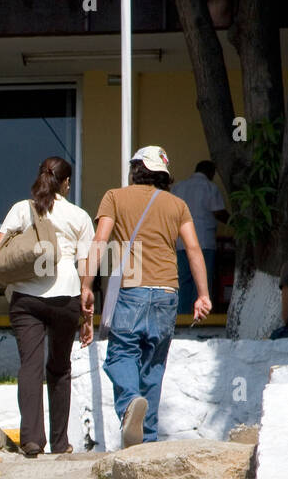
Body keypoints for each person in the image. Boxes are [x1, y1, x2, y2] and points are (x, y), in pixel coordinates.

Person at [84, 146, 211, 447]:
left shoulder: (115, 196)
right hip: (168, 292)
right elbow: (193, 248)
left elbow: (100, 240)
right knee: (153, 364)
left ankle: (129, 403)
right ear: (163, 175)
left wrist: (86, 285)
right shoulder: (177, 204)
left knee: (122, 353)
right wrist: (203, 294)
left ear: (135, 169)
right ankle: (148, 440)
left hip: (132, 289)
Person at [0, 156, 94, 456]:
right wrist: (87, 308)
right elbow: (87, 265)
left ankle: (31, 439)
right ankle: (60, 442)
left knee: (30, 365)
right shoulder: (78, 216)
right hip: (66, 297)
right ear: (65, 183)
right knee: (59, 368)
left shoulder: (21, 209)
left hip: (26, 298)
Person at [170, 160, 229, 315]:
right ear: (210, 172)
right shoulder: (209, 187)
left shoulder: (178, 187)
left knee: (183, 283)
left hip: (181, 243)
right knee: (202, 283)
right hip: (204, 242)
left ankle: (181, 317)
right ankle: (199, 318)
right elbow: (218, 212)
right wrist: (235, 221)